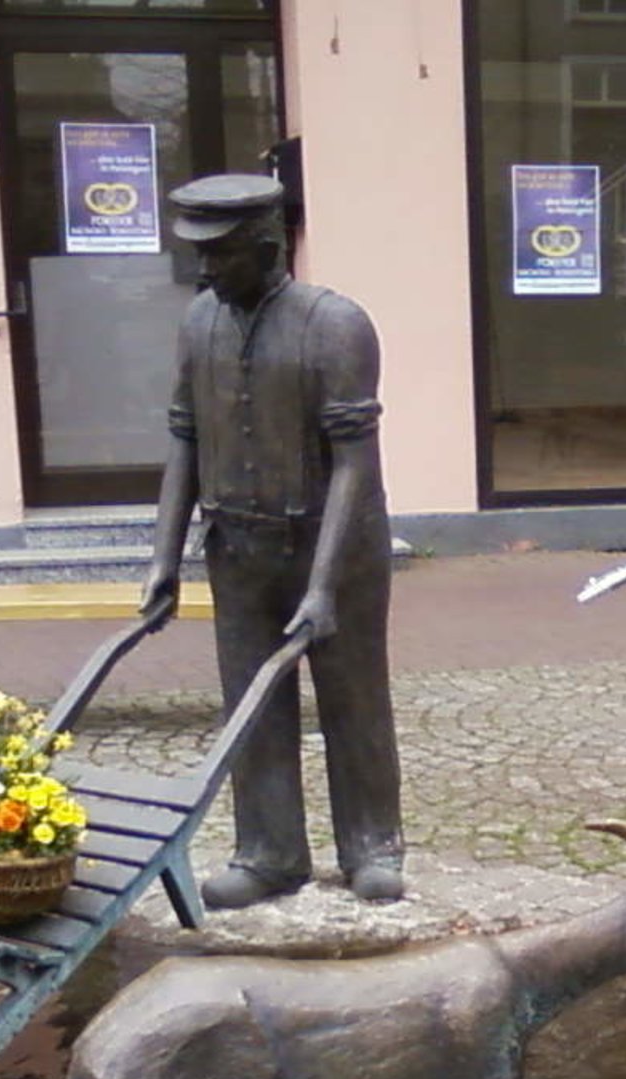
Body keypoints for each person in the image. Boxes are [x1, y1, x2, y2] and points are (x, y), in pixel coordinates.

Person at [141, 172, 404, 908]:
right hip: (238, 547)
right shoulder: (200, 322)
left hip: (336, 545)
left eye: (219, 255)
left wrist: (323, 585)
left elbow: (356, 463)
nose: (205, 270)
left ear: (265, 245)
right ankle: (268, 850)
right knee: (250, 704)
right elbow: (184, 439)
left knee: (353, 697)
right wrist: (165, 558)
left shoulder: (337, 324)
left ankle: (372, 844)